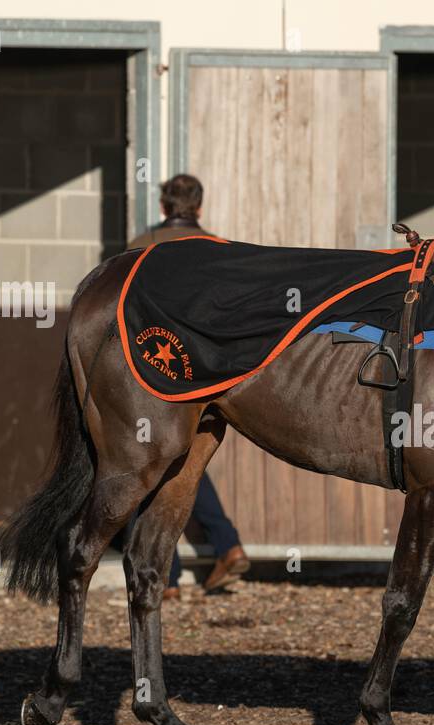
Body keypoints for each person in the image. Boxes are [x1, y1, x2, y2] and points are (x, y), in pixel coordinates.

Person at [127, 174, 250, 600]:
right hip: (202, 375)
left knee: (144, 466)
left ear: (164, 206)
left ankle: (166, 576)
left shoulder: (138, 247)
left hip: (150, 371)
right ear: (198, 206)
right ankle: (227, 543)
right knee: (187, 464)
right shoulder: (218, 251)